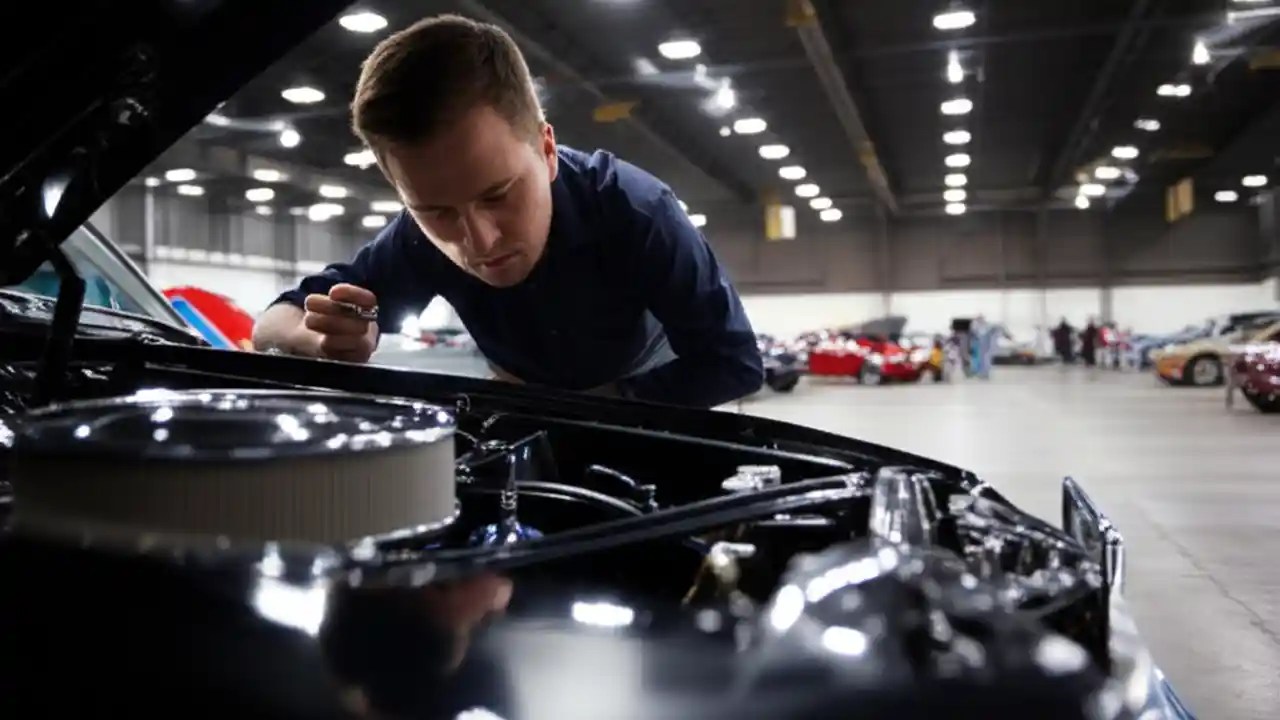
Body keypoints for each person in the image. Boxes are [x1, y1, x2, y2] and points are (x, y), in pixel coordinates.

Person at [251, 14, 763, 408]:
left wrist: (596, 410)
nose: (479, 241)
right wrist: (315, 341)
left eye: (497, 195)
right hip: (523, 399)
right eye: (436, 211)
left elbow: (734, 364)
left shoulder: (638, 211)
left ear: (546, 149)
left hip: (649, 397)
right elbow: (273, 322)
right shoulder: (415, 237)